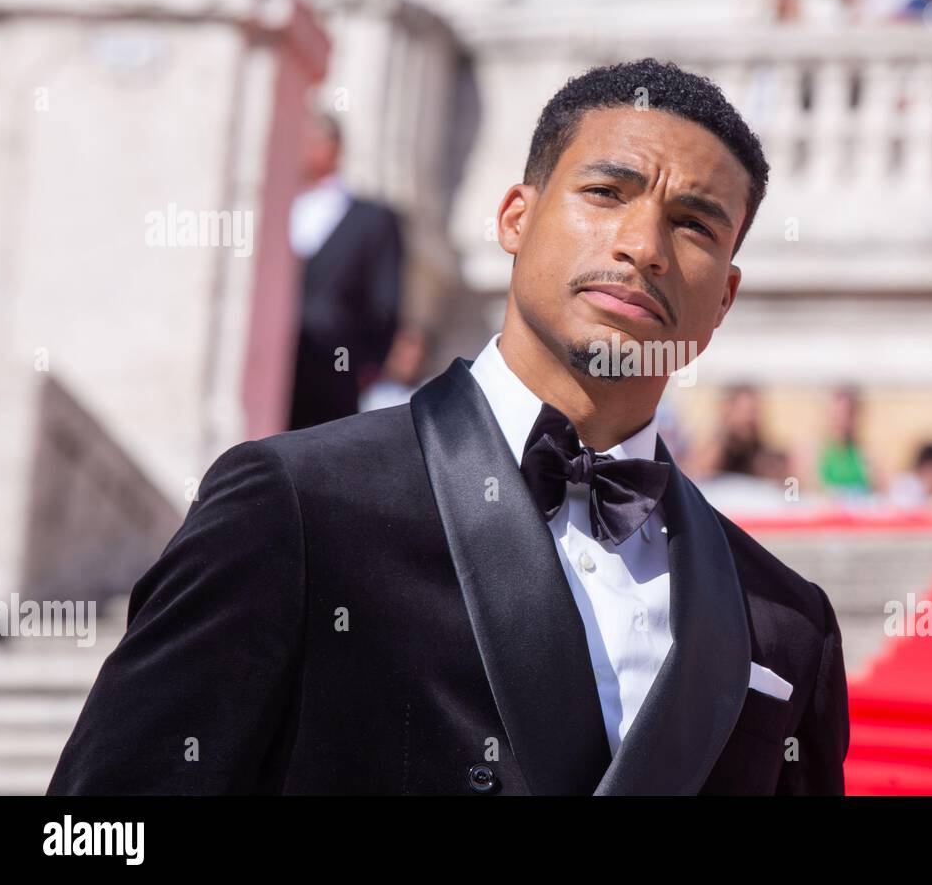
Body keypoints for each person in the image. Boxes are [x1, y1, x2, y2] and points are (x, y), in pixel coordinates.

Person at [47, 58, 849, 796]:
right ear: (513, 218)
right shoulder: (295, 505)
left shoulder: (786, 620)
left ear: (726, 298)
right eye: (607, 193)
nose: (643, 246)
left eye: (695, 225)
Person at [286, 111, 405, 430]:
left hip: (331, 383)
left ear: (330, 147)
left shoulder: (373, 219)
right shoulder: (273, 209)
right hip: (270, 376)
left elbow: (385, 305)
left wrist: (362, 368)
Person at [816, 386, 872, 494]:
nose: (842, 420)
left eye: (847, 414)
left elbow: (877, 489)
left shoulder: (864, 453)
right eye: (837, 414)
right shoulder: (817, 452)